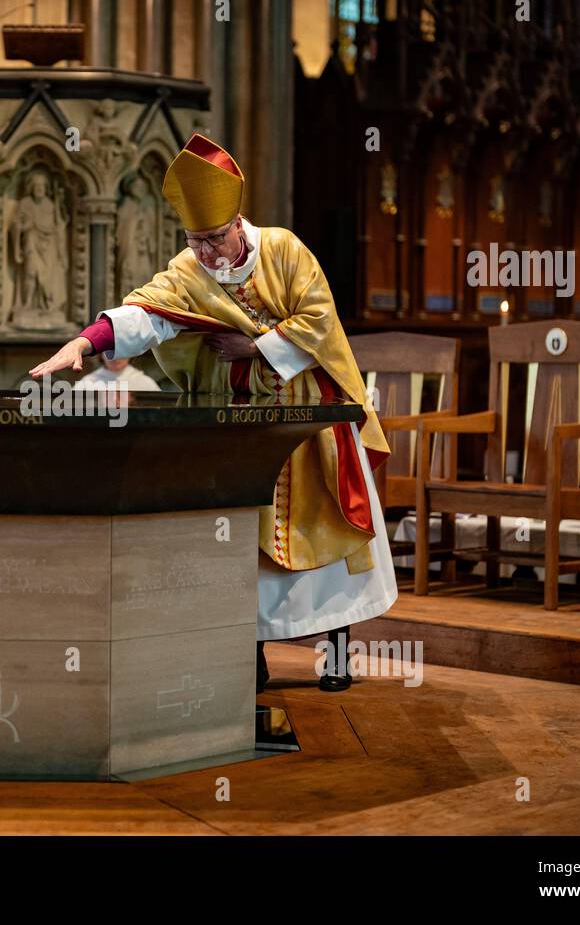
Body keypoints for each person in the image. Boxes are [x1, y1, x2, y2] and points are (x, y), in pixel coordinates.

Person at [29, 133, 397, 693]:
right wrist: (85, 341)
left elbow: (319, 318)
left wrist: (257, 347)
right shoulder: (189, 269)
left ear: (237, 222)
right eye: (195, 241)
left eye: (215, 240)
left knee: (328, 539)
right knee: (242, 545)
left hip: (309, 418)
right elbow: (146, 314)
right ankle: (251, 659)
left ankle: (338, 654)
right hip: (242, 427)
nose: (207, 254)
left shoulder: (284, 249)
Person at [72, 352, 162, 392]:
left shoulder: (144, 382)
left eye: (121, 352)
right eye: (110, 352)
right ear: (101, 355)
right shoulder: (88, 382)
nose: (115, 357)